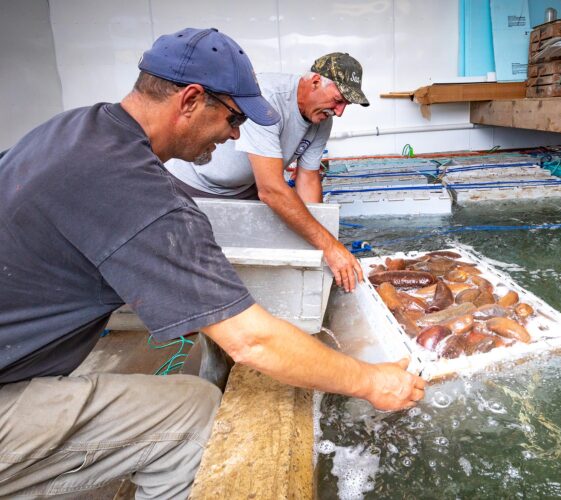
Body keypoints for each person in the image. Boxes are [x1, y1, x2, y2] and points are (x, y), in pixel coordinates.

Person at [0, 28, 425, 499]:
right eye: (233, 118)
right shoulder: (144, 199)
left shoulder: (74, 128)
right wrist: (370, 380)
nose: (237, 135)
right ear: (190, 100)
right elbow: (253, 342)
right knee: (194, 412)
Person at [165, 53, 369, 292]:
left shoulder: (322, 118)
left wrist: (320, 248)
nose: (340, 111)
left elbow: (308, 179)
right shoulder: (267, 98)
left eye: (346, 104)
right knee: (195, 268)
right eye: (338, 100)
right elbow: (271, 190)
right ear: (315, 82)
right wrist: (330, 247)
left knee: (257, 266)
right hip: (192, 184)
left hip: (245, 188)